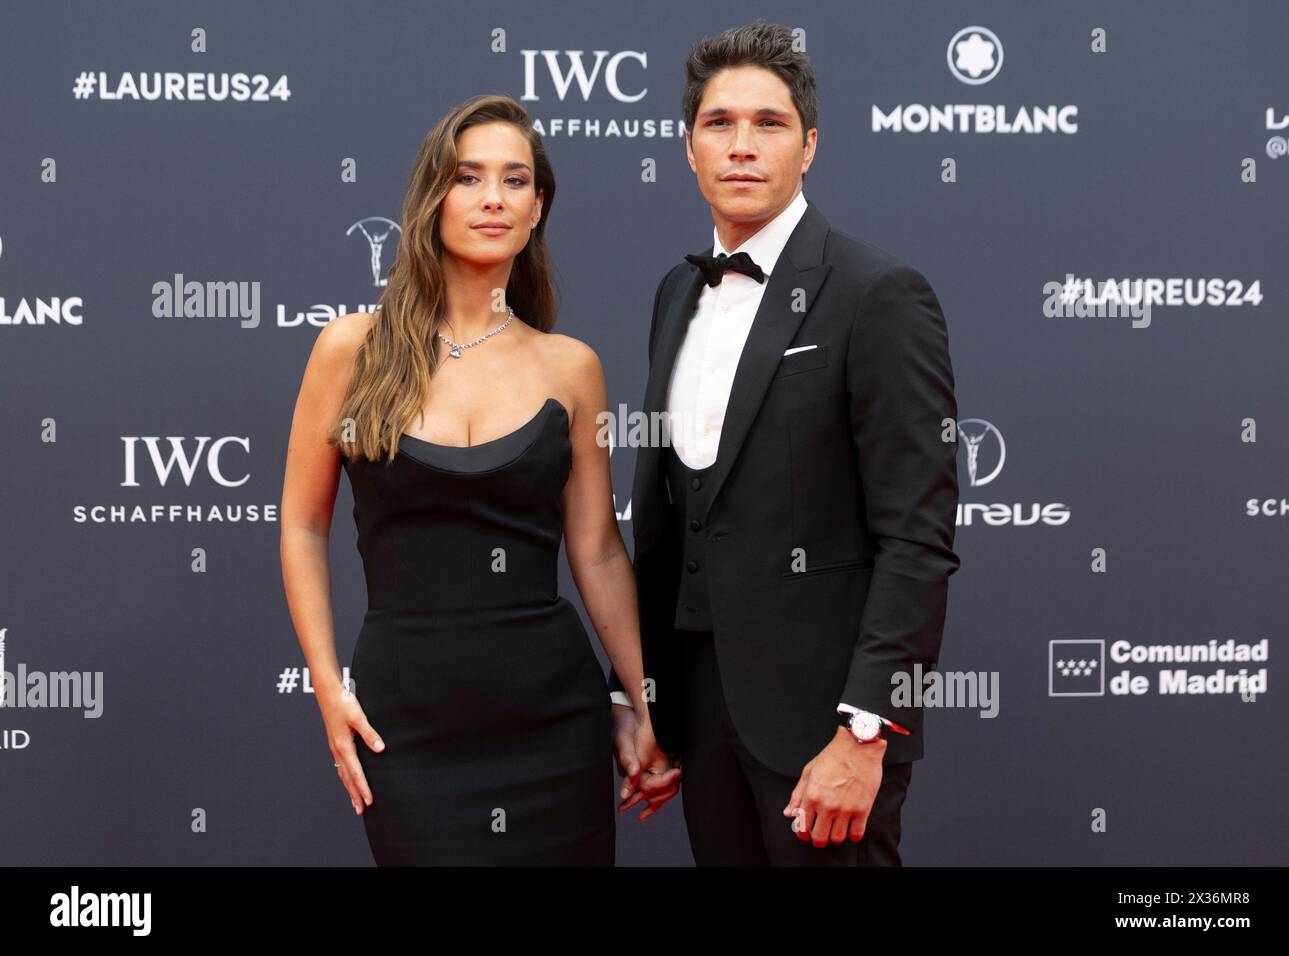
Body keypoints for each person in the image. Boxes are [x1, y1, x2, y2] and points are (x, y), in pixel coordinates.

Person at [280, 95, 680, 866]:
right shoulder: (349, 349)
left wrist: (643, 700)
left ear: (538, 210)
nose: (494, 196)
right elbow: (302, 524)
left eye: (516, 180)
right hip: (409, 724)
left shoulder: (572, 367)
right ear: (434, 198)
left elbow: (596, 552)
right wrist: (330, 690)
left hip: (553, 723)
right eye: (469, 177)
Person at [610, 21, 960, 866]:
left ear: (809, 146)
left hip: (826, 734)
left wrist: (865, 734)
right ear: (687, 146)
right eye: (718, 124)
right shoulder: (674, 293)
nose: (741, 146)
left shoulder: (879, 293)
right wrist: (652, 707)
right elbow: (669, 519)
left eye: (768, 125)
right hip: (699, 711)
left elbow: (916, 538)